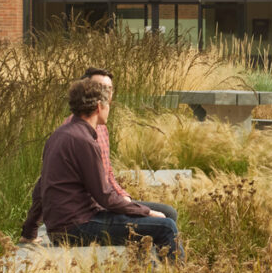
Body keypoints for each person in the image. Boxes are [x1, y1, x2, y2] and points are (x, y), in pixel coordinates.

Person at [20, 77, 183, 259]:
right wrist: (147, 212)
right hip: (77, 227)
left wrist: (29, 230)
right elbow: (105, 197)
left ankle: (149, 269)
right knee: (166, 226)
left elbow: (41, 186)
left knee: (167, 214)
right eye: (108, 105)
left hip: (67, 223)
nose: (109, 109)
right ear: (99, 107)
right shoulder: (84, 141)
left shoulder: (59, 135)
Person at [77, 67, 180, 230]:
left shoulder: (102, 126)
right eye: (100, 88)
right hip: (92, 208)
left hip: (108, 201)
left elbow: (107, 170)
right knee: (164, 224)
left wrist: (123, 196)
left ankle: (147, 255)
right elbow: (100, 192)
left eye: (109, 89)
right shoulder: (76, 131)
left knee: (169, 213)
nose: (106, 94)